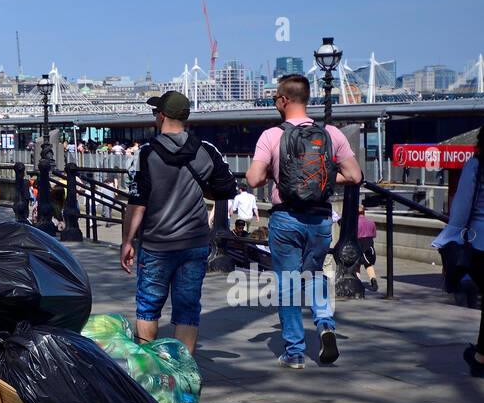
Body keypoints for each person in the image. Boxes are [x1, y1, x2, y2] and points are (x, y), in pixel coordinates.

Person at [246, 74, 364, 369]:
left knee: (288, 283)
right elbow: (355, 176)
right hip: (320, 219)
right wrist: (322, 178)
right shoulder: (331, 135)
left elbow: (253, 178)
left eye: (275, 98)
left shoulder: (272, 136)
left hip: (286, 218)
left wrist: (280, 174)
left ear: (284, 100)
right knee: (313, 276)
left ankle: (295, 352)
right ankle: (325, 323)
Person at [119, 90, 235, 354]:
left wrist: (127, 242)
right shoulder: (207, 151)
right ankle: (184, 372)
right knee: (187, 309)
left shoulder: (146, 154)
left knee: (148, 306)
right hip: (194, 243)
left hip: (157, 243)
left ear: (161, 116)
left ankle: (149, 368)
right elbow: (226, 189)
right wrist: (199, 188)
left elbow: (137, 203)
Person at [432, 125, 484, 376]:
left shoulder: (477, 165)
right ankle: (480, 356)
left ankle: (480, 357)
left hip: (479, 243)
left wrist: (448, 238)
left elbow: (462, 208)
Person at [356, 205, 379, 292]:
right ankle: (373, 279)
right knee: (368, 264)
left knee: (357, 264)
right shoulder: (371, 222)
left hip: (358, 243)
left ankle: (358, 283)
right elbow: (374, 235)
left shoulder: (354, 223)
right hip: (369, 243)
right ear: (364, 213)